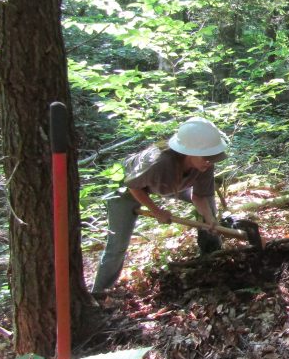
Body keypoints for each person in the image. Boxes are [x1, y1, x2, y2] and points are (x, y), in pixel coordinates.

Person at [91, 117, 228, 293]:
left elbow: (200, 196)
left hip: (169, 185)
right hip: (127, 189)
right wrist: (156, 211)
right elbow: (133, 186)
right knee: (117, 246)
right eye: (207, 157)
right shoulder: (159, 162)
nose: (210, 161)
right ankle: (99, 293)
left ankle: (211, 255)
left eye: (213, 157)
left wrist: (210, 219)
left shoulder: (205, 165)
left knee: (209, 207)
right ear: (189, 152)